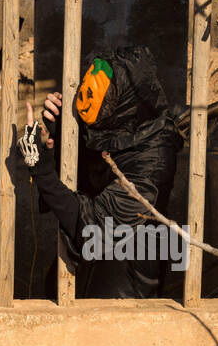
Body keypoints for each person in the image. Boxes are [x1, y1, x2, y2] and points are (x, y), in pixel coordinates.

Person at [13, 44, 184, 298]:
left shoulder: (154, 159)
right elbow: (84, 174)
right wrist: (60, 134)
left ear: (124, 106)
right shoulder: (115, 126)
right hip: (88, 258)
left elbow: (90, 227)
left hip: (128, 268)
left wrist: (41, 168)